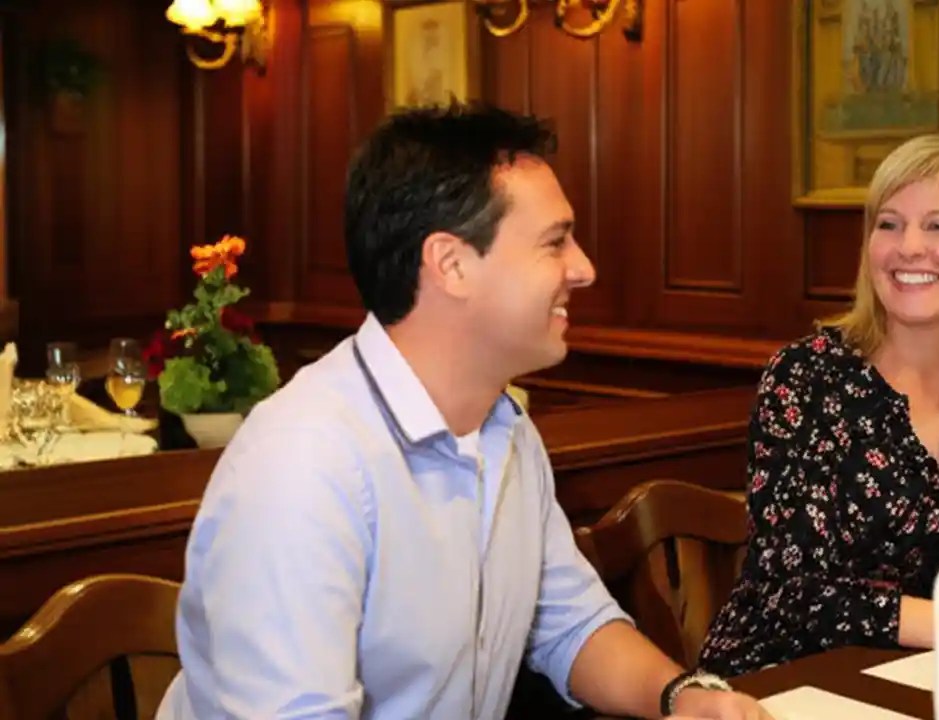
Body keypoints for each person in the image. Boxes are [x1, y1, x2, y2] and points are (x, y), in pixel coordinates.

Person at [156, 103, 771, 720]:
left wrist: (684, 699)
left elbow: (569, 624)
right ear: (450, 264)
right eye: (555, 242)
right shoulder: (303, 461)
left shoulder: (505, 429)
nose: (583, 268)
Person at [697, 134, 939, 678]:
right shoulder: (805, 378)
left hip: (918, 681)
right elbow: (798, 596)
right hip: (776, 684)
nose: (908, 246)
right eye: (888, 223)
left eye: (938, 225)